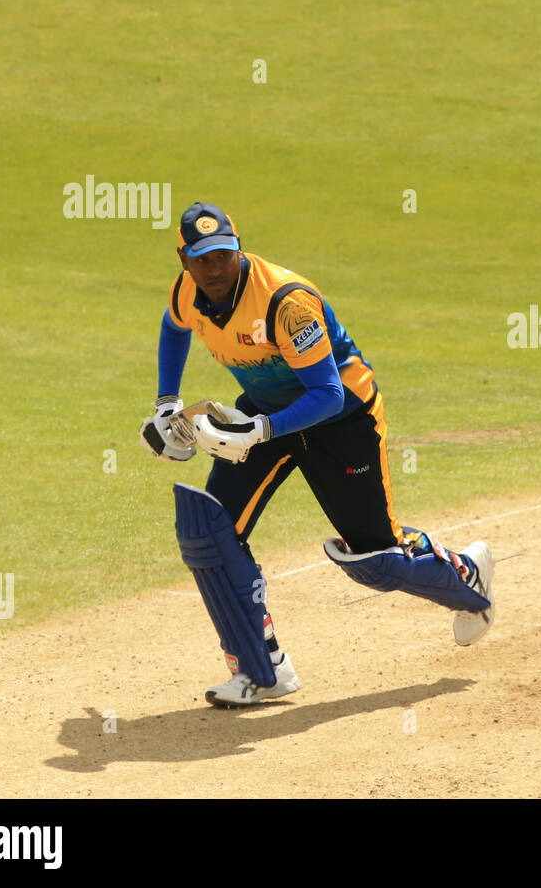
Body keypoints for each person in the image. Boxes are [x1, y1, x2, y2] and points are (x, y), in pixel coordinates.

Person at [140, 202, 495, 707]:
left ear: (238, 250)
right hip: (267, 415)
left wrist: (260, 431)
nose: (214, 268)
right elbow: (174, 326)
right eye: (202, 259)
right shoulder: (189, 292)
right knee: (209, 534)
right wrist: (167, 402)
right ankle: (262, 671)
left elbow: (327, 393)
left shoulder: (286, 303)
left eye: (223, 255)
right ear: (184, 260)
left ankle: (466, 576)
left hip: (341, 419)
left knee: (374, 560)